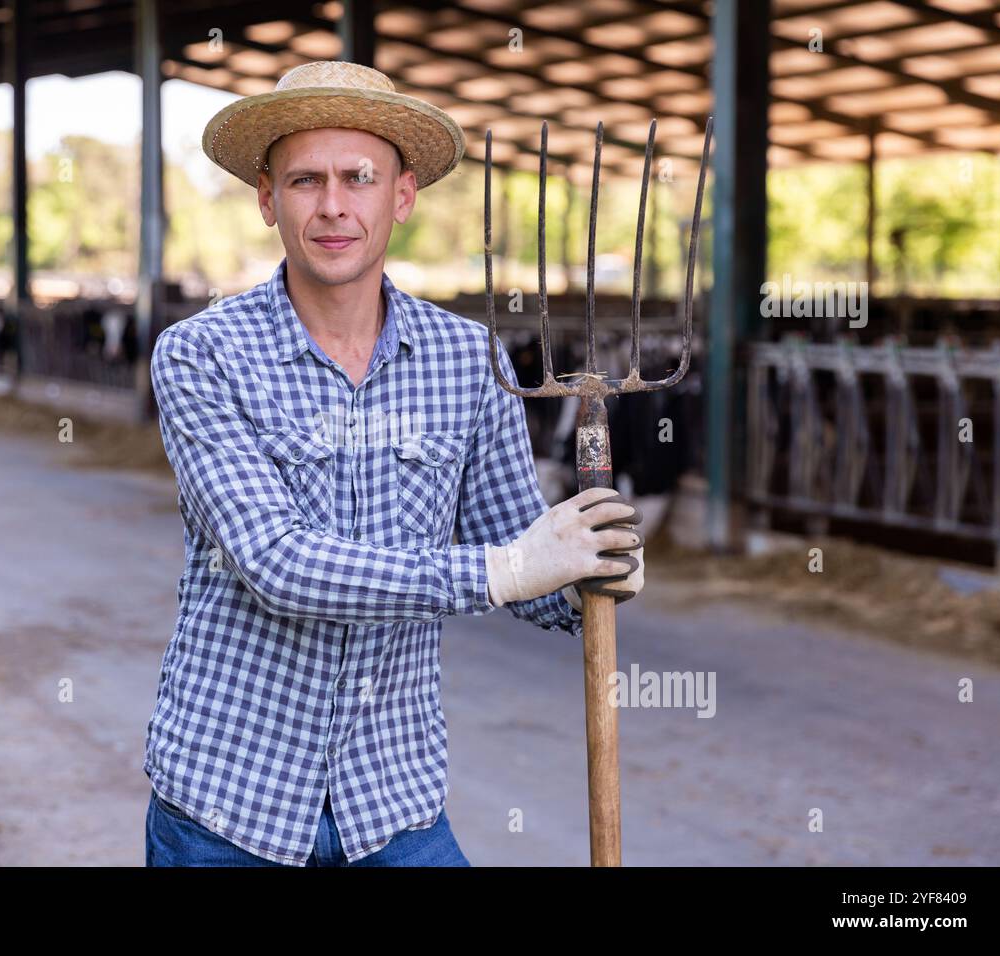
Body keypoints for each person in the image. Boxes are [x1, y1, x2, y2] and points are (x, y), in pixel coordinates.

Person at [144, 60, 643, 867]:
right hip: (228, 805)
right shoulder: (203, 356)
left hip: (393, 801)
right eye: (305, 180)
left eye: (359, 178)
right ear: (267, 199)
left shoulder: (465, 359)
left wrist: (592, 568)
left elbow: (519, 555)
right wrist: (507, 567)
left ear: (402, 197)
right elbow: (278, 564)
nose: (333, 205)